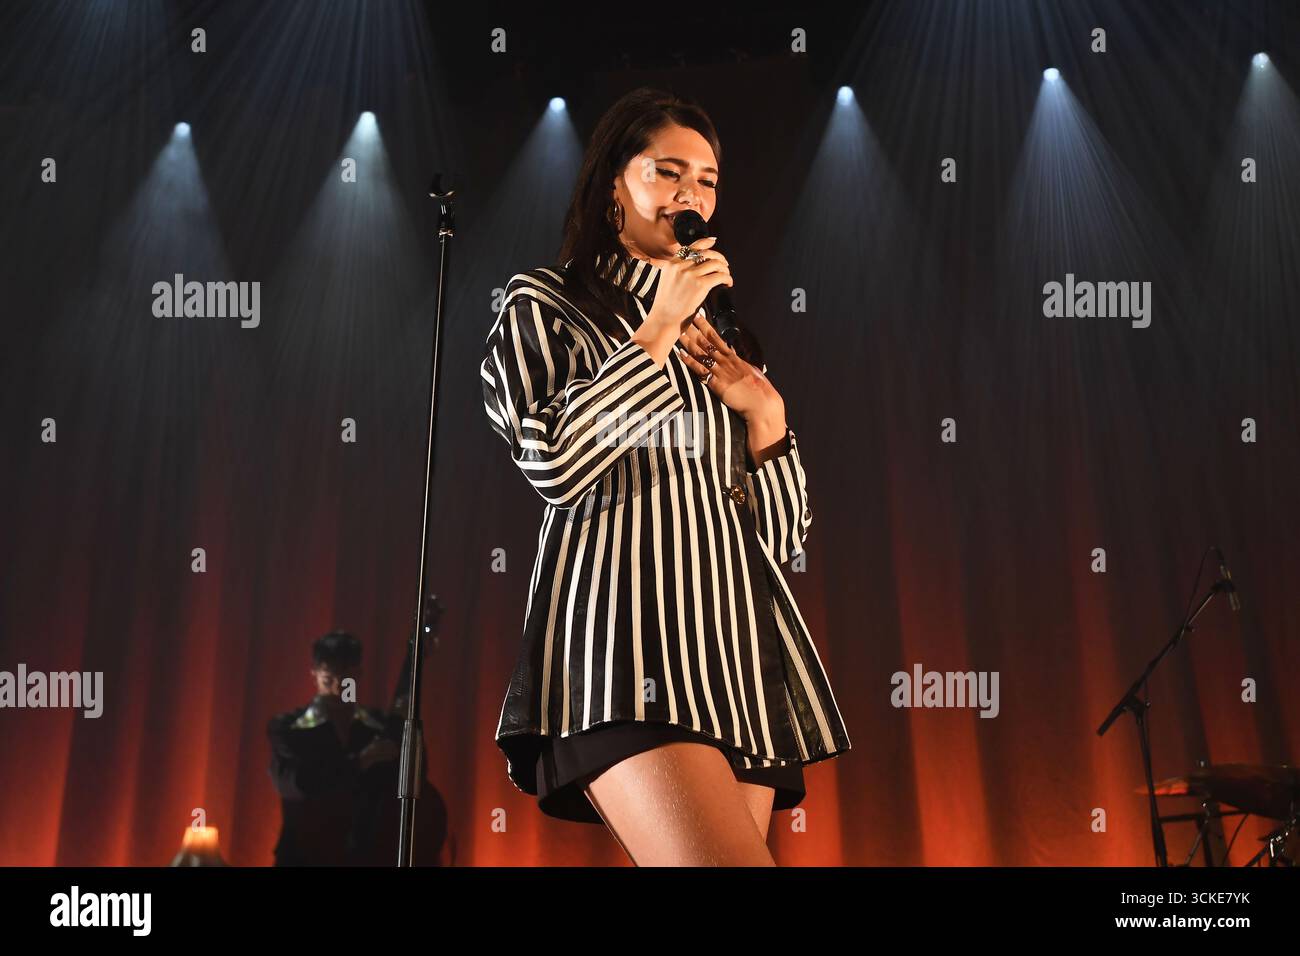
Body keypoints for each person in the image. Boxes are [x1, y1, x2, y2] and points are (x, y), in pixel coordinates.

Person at [479, 87, 851, 865]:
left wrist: (766, 419)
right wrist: (656, 326)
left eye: (708, 179)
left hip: (737, 661)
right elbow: (553, 460)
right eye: (668, 171)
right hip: (624, 651)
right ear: (614, 181)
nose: (692, 193)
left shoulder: (727, 337)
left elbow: (778, 541)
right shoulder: (547, 302)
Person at [267, 630, 447, 866]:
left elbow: (414, 779)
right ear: (314, 675)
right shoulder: (288, 729)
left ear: (358, 675)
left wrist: (406, 734)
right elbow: (297, 783)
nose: (337, 689)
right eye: (328, 679)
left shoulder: (378, 727)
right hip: (304, 857)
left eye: (346, 679)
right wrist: (360, 762)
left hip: (369, 857)